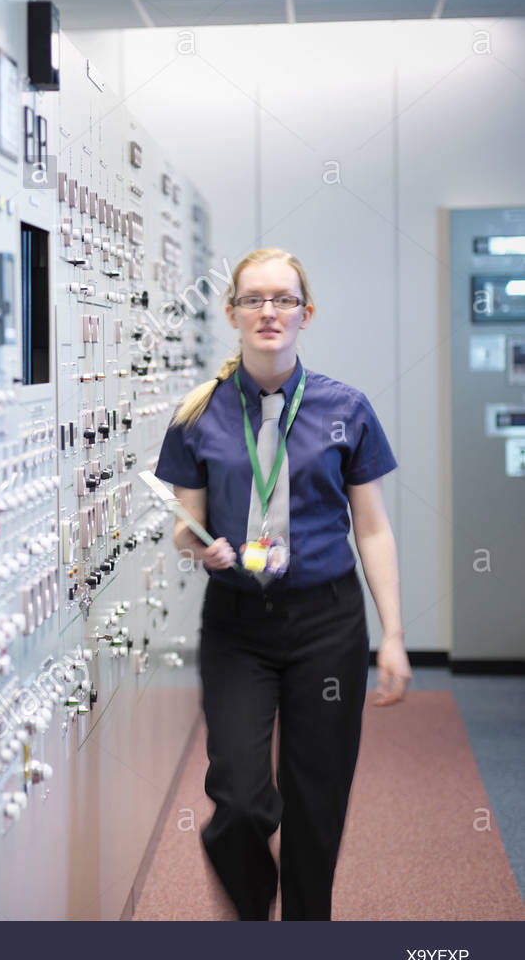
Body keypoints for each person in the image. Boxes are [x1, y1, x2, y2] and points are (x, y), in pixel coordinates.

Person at [154, 246, 412, 921]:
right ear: (232, 311)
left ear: (306, 312)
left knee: (316, 797)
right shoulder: (197, 414)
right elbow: (187, 524)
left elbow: (373, 529)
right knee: (239, 798)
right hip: (238, 623)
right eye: (254, 299)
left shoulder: (345, 409)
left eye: (284, 299)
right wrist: (198, 547)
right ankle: (252, 909)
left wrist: (394, 636)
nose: (269, 311)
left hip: (327, 622)